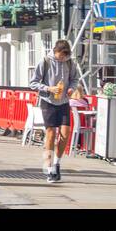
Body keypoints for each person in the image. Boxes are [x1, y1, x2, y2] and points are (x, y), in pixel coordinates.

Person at [30, 39, 84, 184]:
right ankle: (49, 169)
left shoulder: (70, 63)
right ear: (55, 51)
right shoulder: (45, 62)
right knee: (51, 134)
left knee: (66, 134)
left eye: (65, 56)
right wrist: (48, 88)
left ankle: (56, 162)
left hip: (64, 101)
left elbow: (74, 79)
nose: (63, 58)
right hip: (48, 101)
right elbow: (33, 83)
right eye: (61, 55)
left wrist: (72, 88)